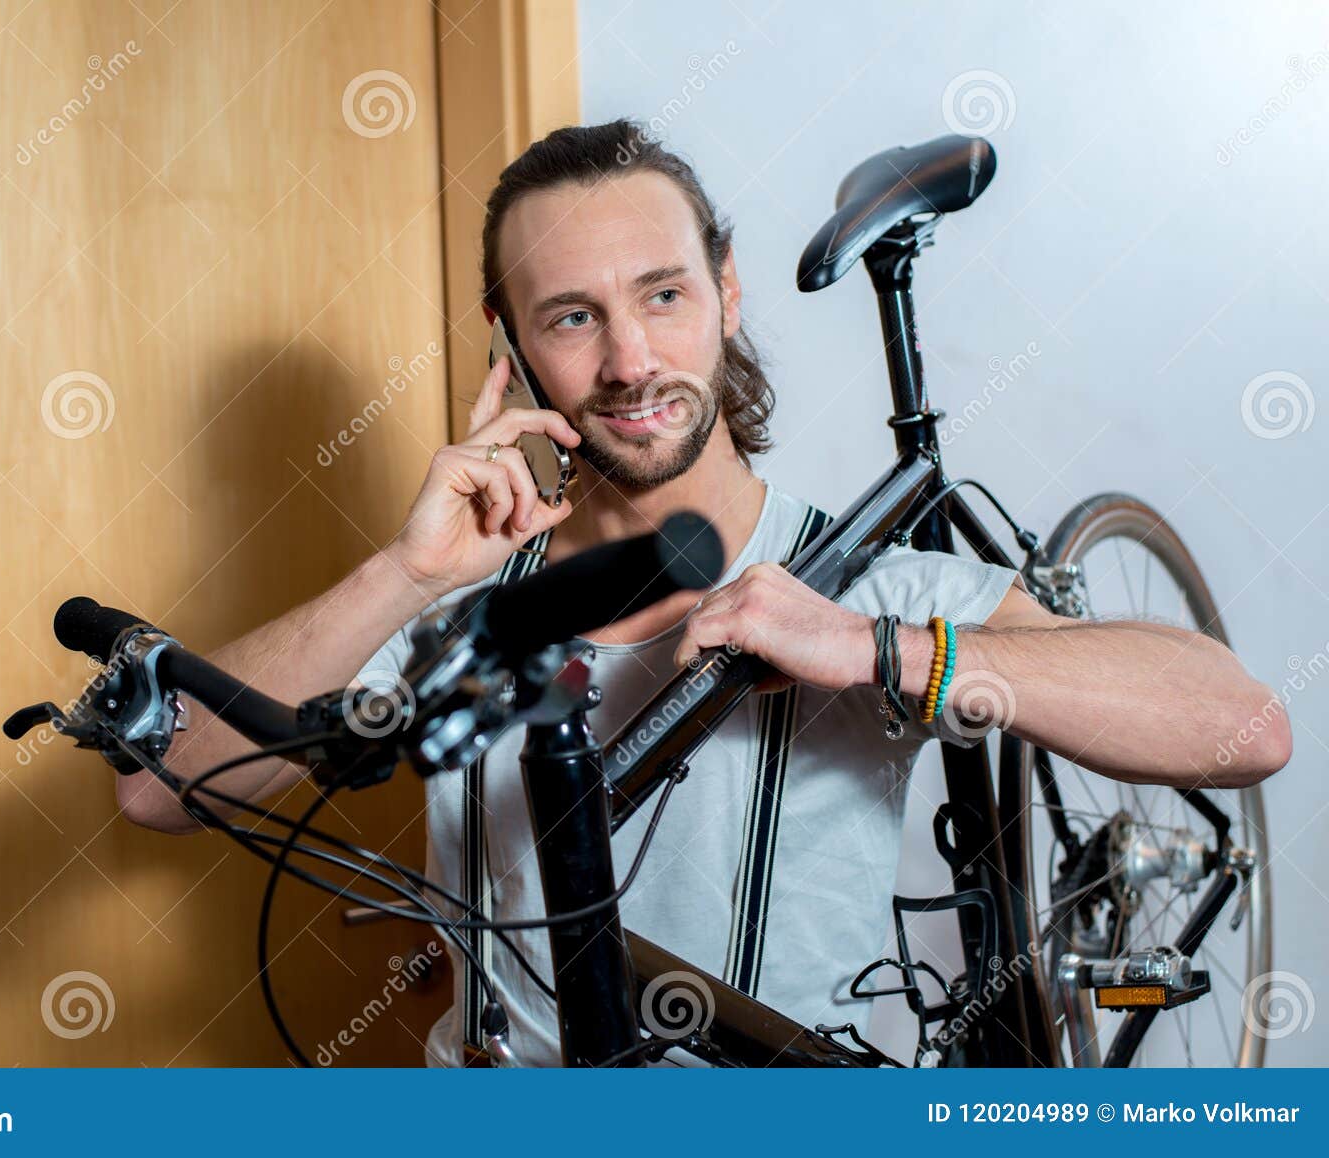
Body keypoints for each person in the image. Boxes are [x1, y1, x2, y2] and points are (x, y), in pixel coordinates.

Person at [118, 119, 1291, 1066]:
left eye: (663, 295)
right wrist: (405, 574)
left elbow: (1244, 726)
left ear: (727, 294)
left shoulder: (874, 581)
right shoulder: (457, 605)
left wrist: (877, 648)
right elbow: (162, 790)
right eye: (573, 318)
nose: (630, 361)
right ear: (509, 347)